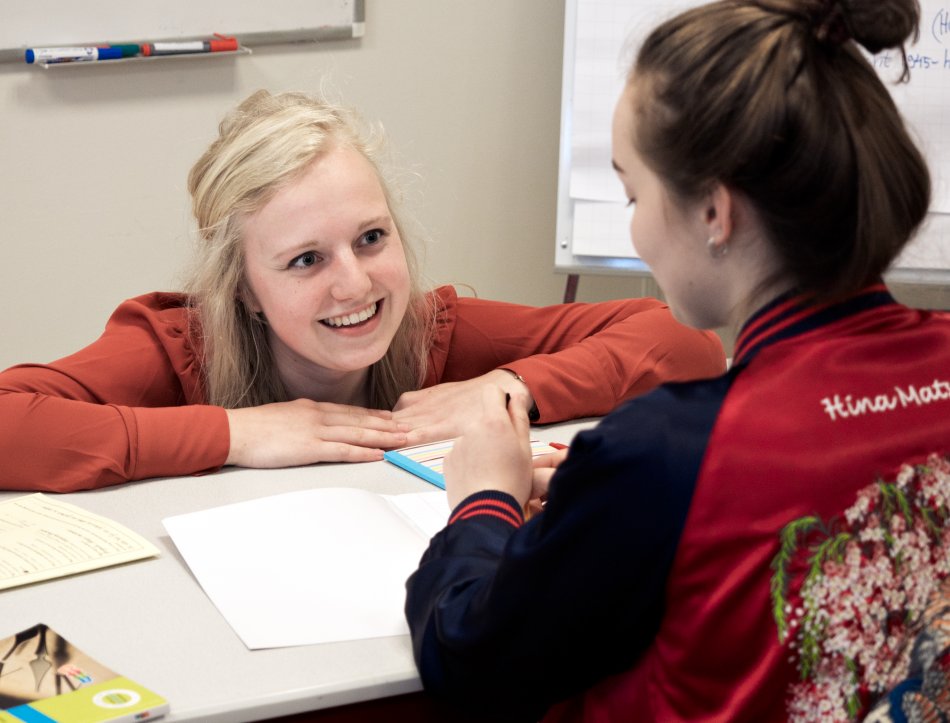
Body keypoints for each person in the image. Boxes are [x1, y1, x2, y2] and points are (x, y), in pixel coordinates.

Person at [404, 0, 950, 720]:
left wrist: (482, 499)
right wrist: (607, 493)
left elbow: (470, 657)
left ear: (715, 214)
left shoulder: (665, 453)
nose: (634, 231)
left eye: (634, 195)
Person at [0, 90, 724, 493]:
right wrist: (235, 433)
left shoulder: (429, 328)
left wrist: (509, 385)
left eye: (372, 239)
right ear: (244, 290)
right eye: (305, 259)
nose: (355, 283)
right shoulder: (178, 348)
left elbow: (684, 342)